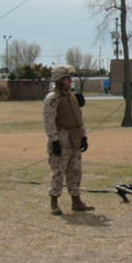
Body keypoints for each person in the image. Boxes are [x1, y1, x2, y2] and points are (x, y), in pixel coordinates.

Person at [44, 64, 89, 215]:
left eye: (70, 78)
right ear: (58, 80)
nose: (70, 80)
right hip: (61, 139)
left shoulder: (72, 96)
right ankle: (54, 202)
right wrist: (54, 140)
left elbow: (79, 118)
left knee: (75, 171)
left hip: (74, 138)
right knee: (59, 171)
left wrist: (83, 136)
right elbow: (49, 121)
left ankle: (76, 200)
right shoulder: (53, 98)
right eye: (67, 78)